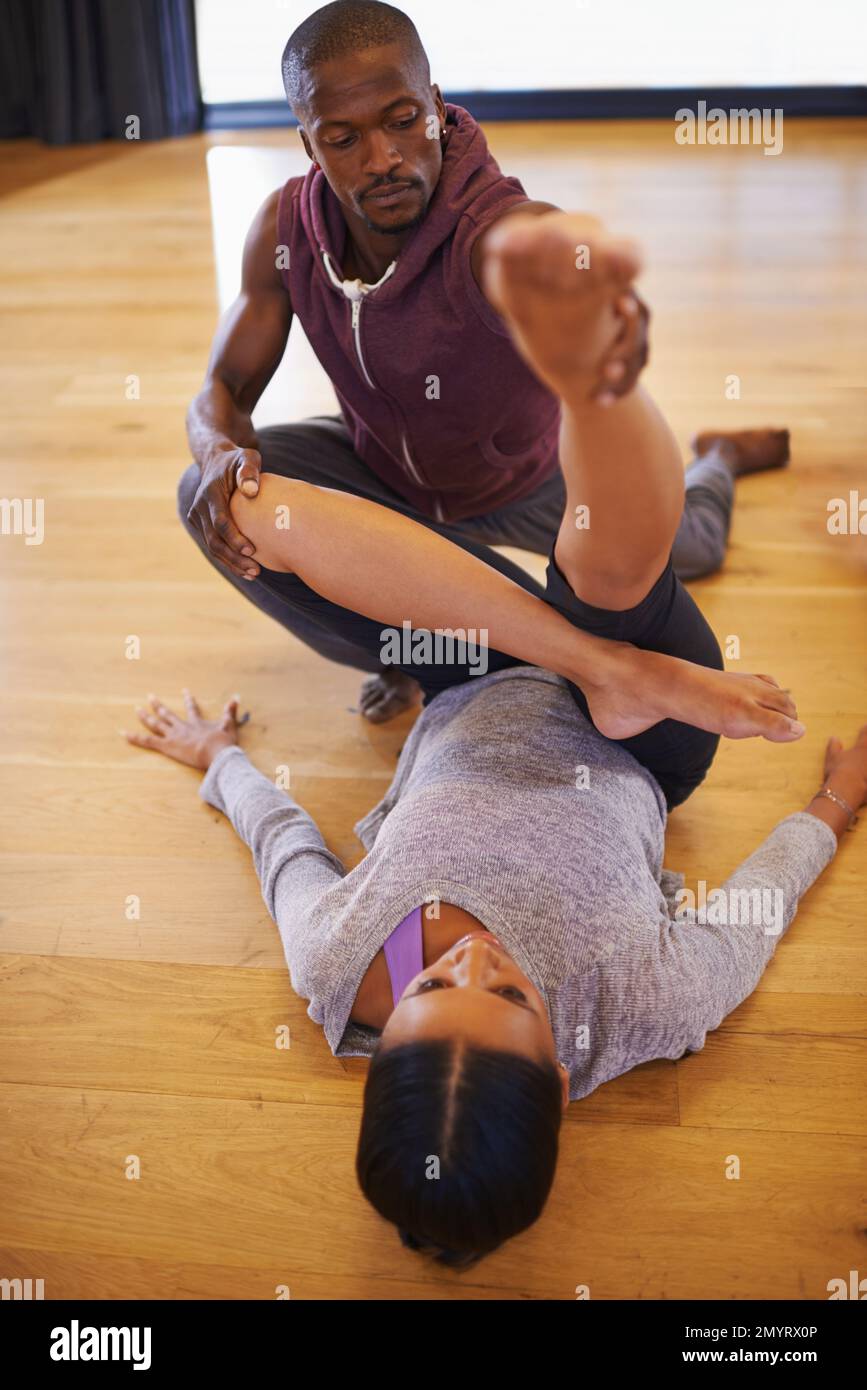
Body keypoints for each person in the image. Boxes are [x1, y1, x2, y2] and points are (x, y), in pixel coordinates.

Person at [130, 214, 862, 1268]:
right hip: (637, 740)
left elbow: (282, 842)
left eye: (432, 989)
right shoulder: (640, 1006)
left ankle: (595, 614)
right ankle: (606, 394)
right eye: (511, 993)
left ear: (382, 1049)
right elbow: (754, 910)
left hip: (465, 671)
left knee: (255, 513)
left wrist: (216, 760)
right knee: (617, 571)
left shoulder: (337, 963)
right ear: (558, 1072)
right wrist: (836, 798)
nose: (471, 958)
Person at [180, 0, 789, 723]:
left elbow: (526, 248)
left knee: (687, 548)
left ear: (436, 106)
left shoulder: (489, 228)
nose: (383, 159)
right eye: (343, 138)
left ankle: (715, 460)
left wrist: (580, 289)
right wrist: (219, 450)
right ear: (310, 148)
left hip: (521, 480)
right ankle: (425, 660)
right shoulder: (283, 230)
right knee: (217, 497)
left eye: (403, 120)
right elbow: (223, 385)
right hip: (385, 476)